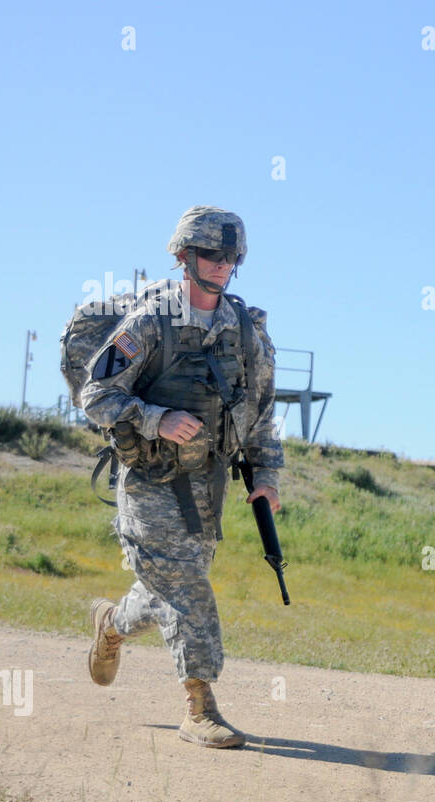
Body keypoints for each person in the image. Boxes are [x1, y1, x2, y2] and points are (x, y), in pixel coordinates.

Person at [82, 206, 283, 749]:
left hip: (207, 485)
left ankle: (111, 625)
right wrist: (156, 418)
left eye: (231, 256)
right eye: (211, 254)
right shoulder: (148, 323)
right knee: (190, 592)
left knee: (166, 591)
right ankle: (199, 707)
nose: (222, 265)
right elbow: (95, 396)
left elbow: (260, 411)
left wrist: (266, 475)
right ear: (183, 257)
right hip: (148, 480)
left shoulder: (246, 331)